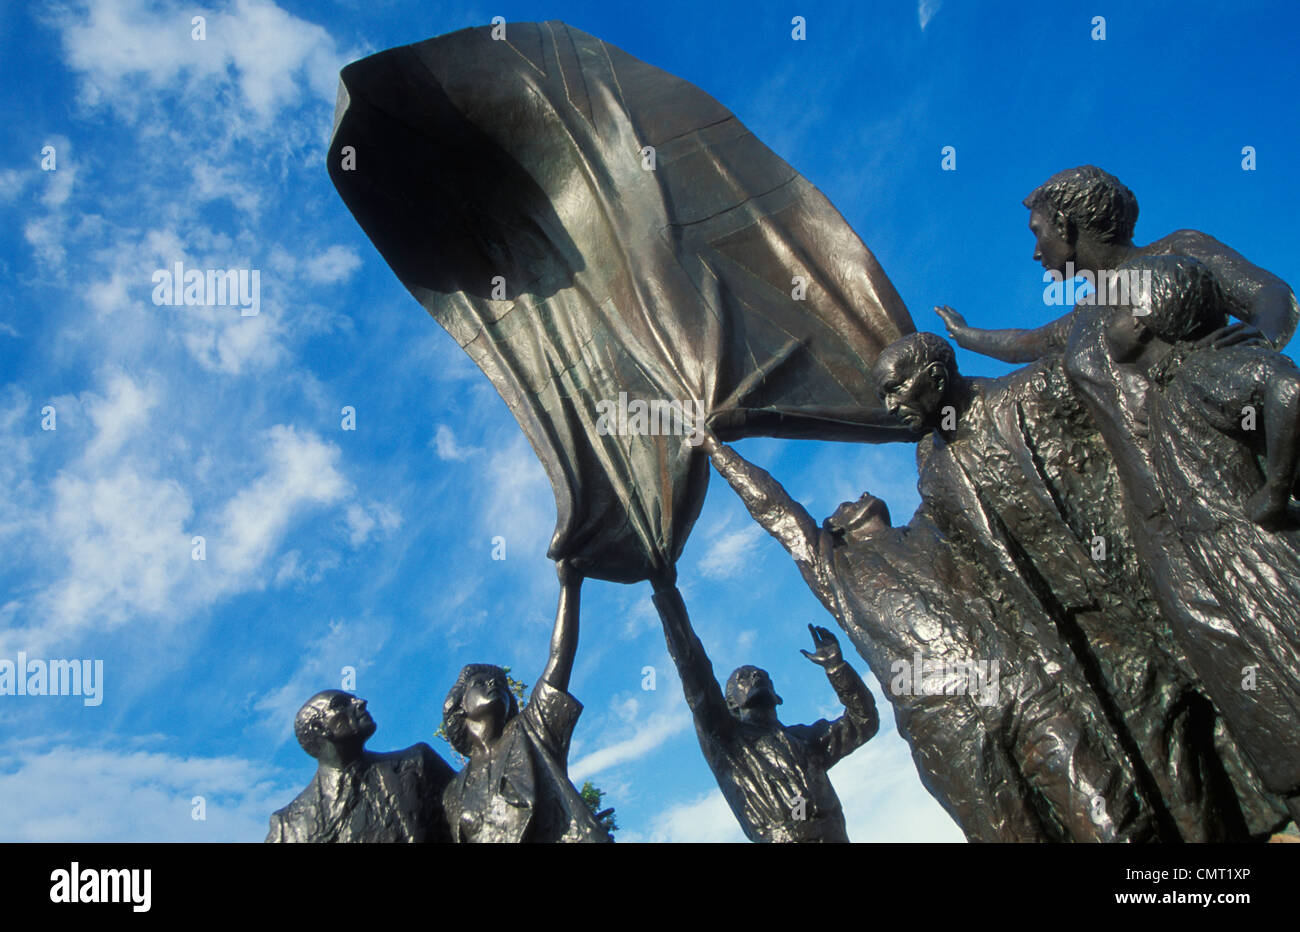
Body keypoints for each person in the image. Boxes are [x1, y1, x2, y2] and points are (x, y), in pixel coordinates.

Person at [1088, 254, 1300, 820]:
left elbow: (1286, 387)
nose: (1103, 323)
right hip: (1228, 564)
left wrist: (1274, 493)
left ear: (1144, 320)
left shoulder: (1199, 372)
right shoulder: (1169, 387)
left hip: (1258, 558)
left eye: (1115, 312)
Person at [935, 165, 1297, 361]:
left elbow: (1272, 293)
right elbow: (1026, 343)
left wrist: (1263, 338)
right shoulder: (1088, 313)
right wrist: (965, 336)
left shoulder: (1179, 248)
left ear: (1063, 226)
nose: (1035, 252)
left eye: (1038, 232)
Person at [653, 575, 878, 842]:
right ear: (730, 704)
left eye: (761, 675)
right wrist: (666, 592)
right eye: (743, 678)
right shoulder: (728, 743)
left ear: (777, 696)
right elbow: (693, 667)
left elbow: (864, 722)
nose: (755, 678)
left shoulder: (808, 738)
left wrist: (837, 669)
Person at [440, 560, 612, 843]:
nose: (494, 684)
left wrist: (569, 586)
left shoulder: (530, 731)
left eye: (503, 686)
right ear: (459, 705)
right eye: (480, 683)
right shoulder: (451, 793)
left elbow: (558, 662)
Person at [267, 690, 454, 843]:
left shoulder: (416, 763)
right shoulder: (289, 825)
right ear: (319, 728)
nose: (361, 702)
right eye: (340, 704)